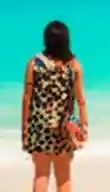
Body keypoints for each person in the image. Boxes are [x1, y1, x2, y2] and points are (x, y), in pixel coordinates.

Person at [22, 21, 88, 192]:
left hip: (40, 127)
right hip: (64, 128)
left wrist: (25, 128)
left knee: (40, 176)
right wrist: (83, 125)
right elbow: (80, 100)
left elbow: (27, 98)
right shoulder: (74, 65)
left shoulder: (34, 63)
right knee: (64, 178)